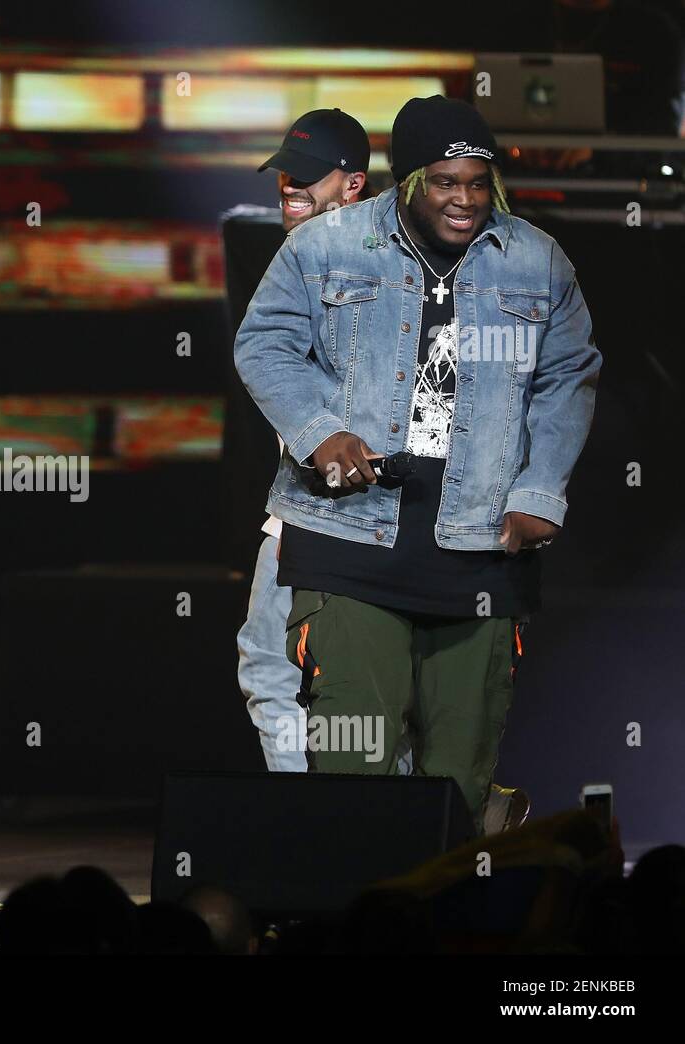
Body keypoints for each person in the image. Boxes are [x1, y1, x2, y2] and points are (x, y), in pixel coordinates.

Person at [235, 96, 601, 834]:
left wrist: (540, 491)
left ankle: (444, 920)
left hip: (480, 543)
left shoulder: (535, 259)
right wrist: (319, 433)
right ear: (407, 183)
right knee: (355, 759)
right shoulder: (326, 247)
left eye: (476, 182)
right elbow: (264, 343)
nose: (464, 199)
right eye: (444, 182)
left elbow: (569, 376)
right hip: (348, 537)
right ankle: (345, 916)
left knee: (458, 776)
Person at [232, 108, 370, 773]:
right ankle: (343, 834)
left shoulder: (357, 263)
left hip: (343, 508)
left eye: (310, 176)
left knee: (290, 674)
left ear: (354, 186)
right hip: (307, 507)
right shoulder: (305, 255)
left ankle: (316, 830)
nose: (291, 186)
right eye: (287, 171)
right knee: (306, 677)